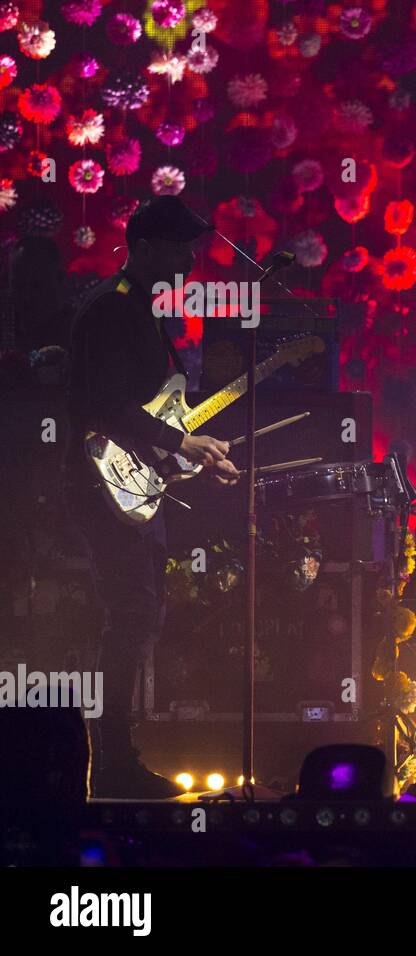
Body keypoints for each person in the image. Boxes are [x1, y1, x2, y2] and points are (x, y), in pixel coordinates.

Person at [62, 196, 240, 798]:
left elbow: (140, 406)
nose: (190, 260)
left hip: (130, 483)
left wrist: (187, 447)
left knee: (139, 616)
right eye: (178, 248)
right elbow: (106, 404)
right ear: (143, 247)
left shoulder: (139, 309)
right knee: (131, 616)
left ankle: (115, 759)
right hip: (103, 485)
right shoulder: (114, 311)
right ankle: (110, 765)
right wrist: (179, 445)